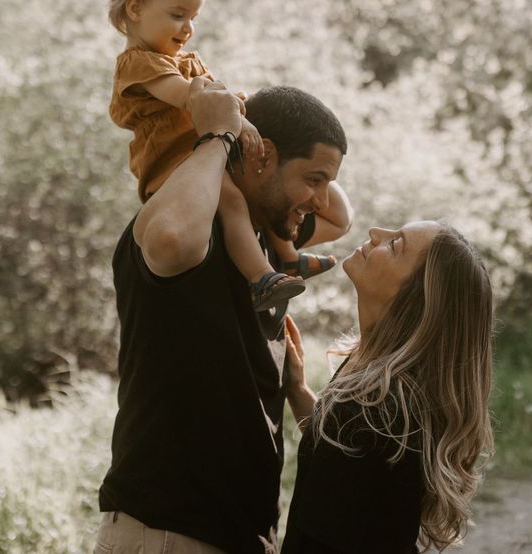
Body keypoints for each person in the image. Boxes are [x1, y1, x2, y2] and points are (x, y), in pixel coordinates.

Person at [95, 78, 351, 554]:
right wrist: (217, 136)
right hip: (168, 534)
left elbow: (340, 220)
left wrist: (259, 121)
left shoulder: (270, 243)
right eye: (314, 180)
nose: (320, 200)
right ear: (262, 155)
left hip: (240, 535)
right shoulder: (193, 227)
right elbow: (171, 240)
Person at [107, 0, 336, 311]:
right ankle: (261, 278)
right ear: (135, 9)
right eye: (178, 14)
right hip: (171, 164)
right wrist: (235, 115)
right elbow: (191, 98)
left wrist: (242, 108)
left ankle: (288, 256)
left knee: (259, 191)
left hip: (204, 151)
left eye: (194, 17)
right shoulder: (138, 64)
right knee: (230, 198)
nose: (189, 28)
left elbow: (219, 98)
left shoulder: (187, 61)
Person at [281, 222, 495, 553]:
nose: (375, 232)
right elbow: (340, 462)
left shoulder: (372, 408)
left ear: (414, 299)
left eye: (395, 245)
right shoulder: (382, 391)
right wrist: (298, 390)